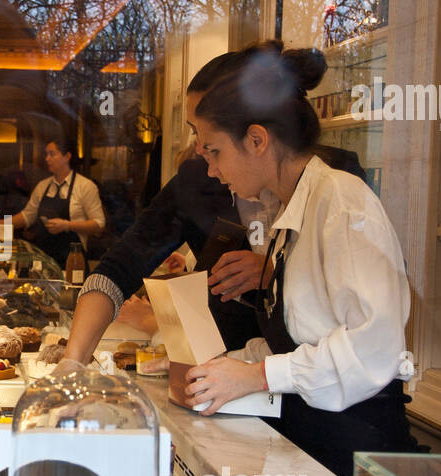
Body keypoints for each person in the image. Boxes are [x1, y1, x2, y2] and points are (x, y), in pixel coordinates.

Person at [182, 46, 417, 476]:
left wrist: (255, 376)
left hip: (356, 455)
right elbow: (301, 337)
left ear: (256, 140)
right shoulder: (287, 211)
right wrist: (219, 368)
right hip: (309, 442)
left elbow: (372, 348)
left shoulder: (342, 203)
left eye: (214, 152)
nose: (212, 171)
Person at [65, 43, 368, 364]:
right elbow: (120, 267)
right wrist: (72, 360)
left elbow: (361, 320)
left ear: (255, 138)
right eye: (197, 135)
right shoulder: (200, 179)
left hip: (310, 388)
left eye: (208, 140)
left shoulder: (334, 184)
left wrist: (276, 274)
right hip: (233, 371)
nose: (201, 153)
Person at [9, 137, 105, 268]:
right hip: (44, 262)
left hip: (72, 261)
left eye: (52, 154)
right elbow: (27, 217)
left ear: (67, 156)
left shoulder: (85, 186)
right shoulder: (42, 186)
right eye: (46, 154)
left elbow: (99, 225)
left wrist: (67, 225)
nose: (47, 158)